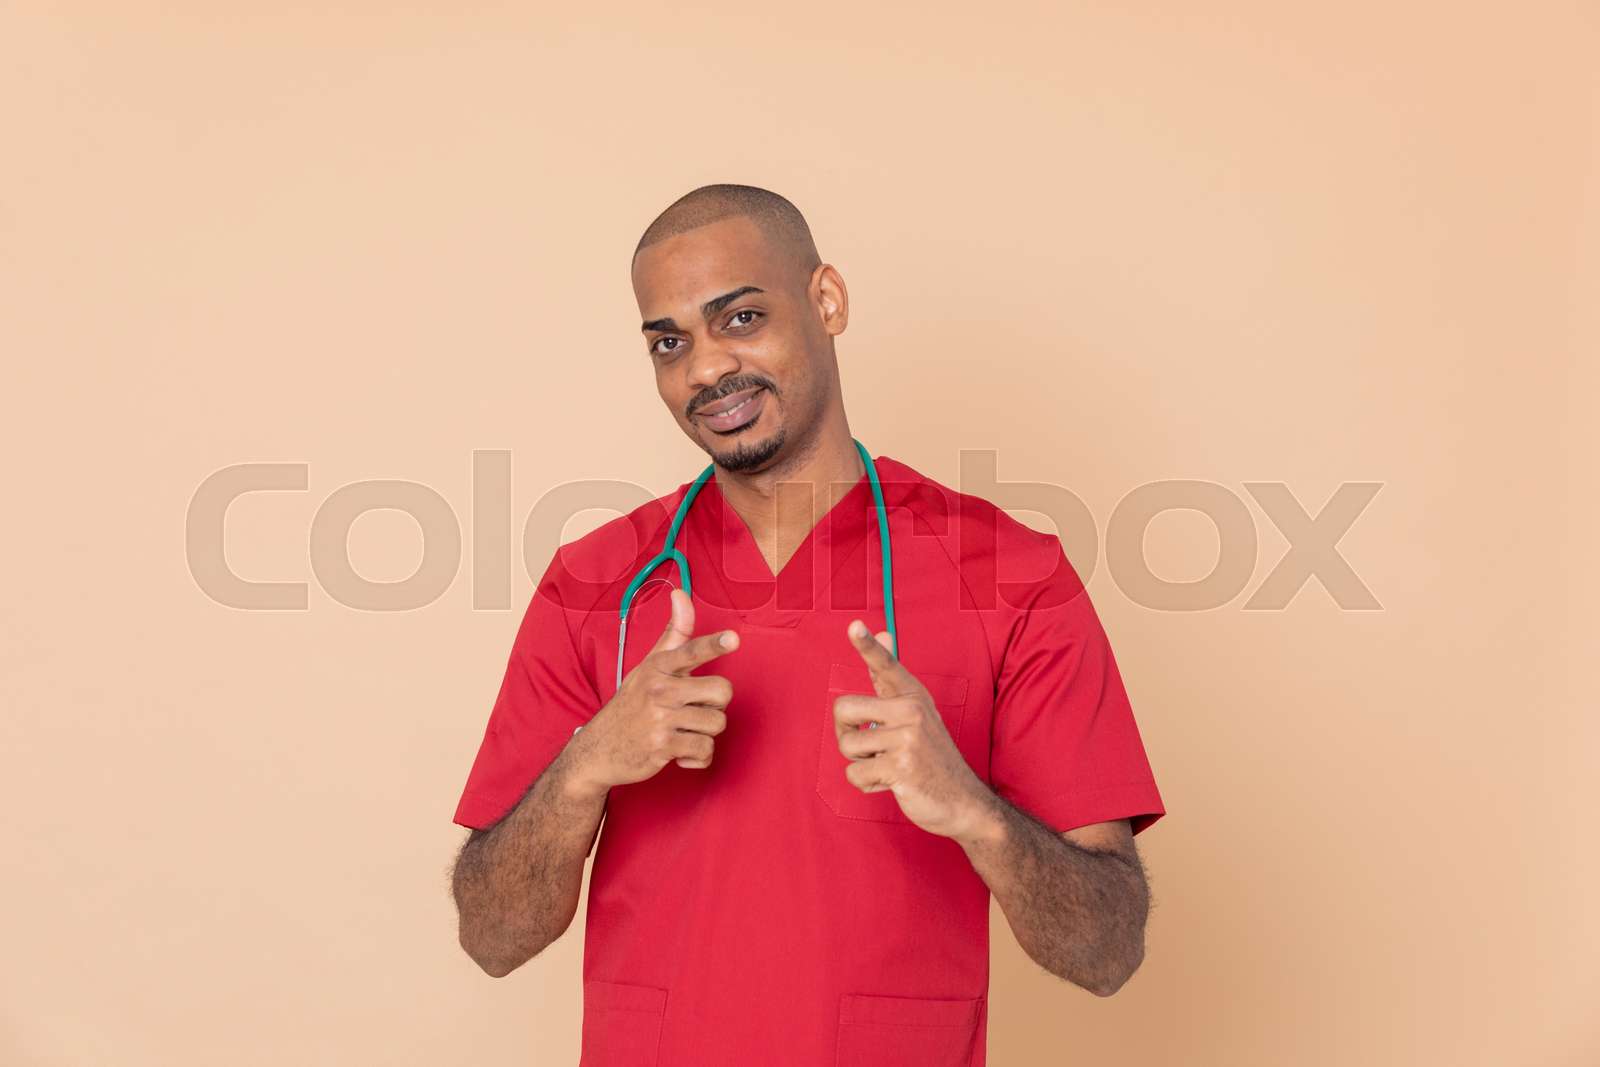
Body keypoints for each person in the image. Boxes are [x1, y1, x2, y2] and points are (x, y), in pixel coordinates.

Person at [448, 183, 1165, 1066]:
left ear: (826, 300)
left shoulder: (1014, 578)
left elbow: (1106, 949)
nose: (704, 368)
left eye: (740, 318)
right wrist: (586, 764)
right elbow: (491, 936)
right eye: (670, 342)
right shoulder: (595, 584)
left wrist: (972, 811)